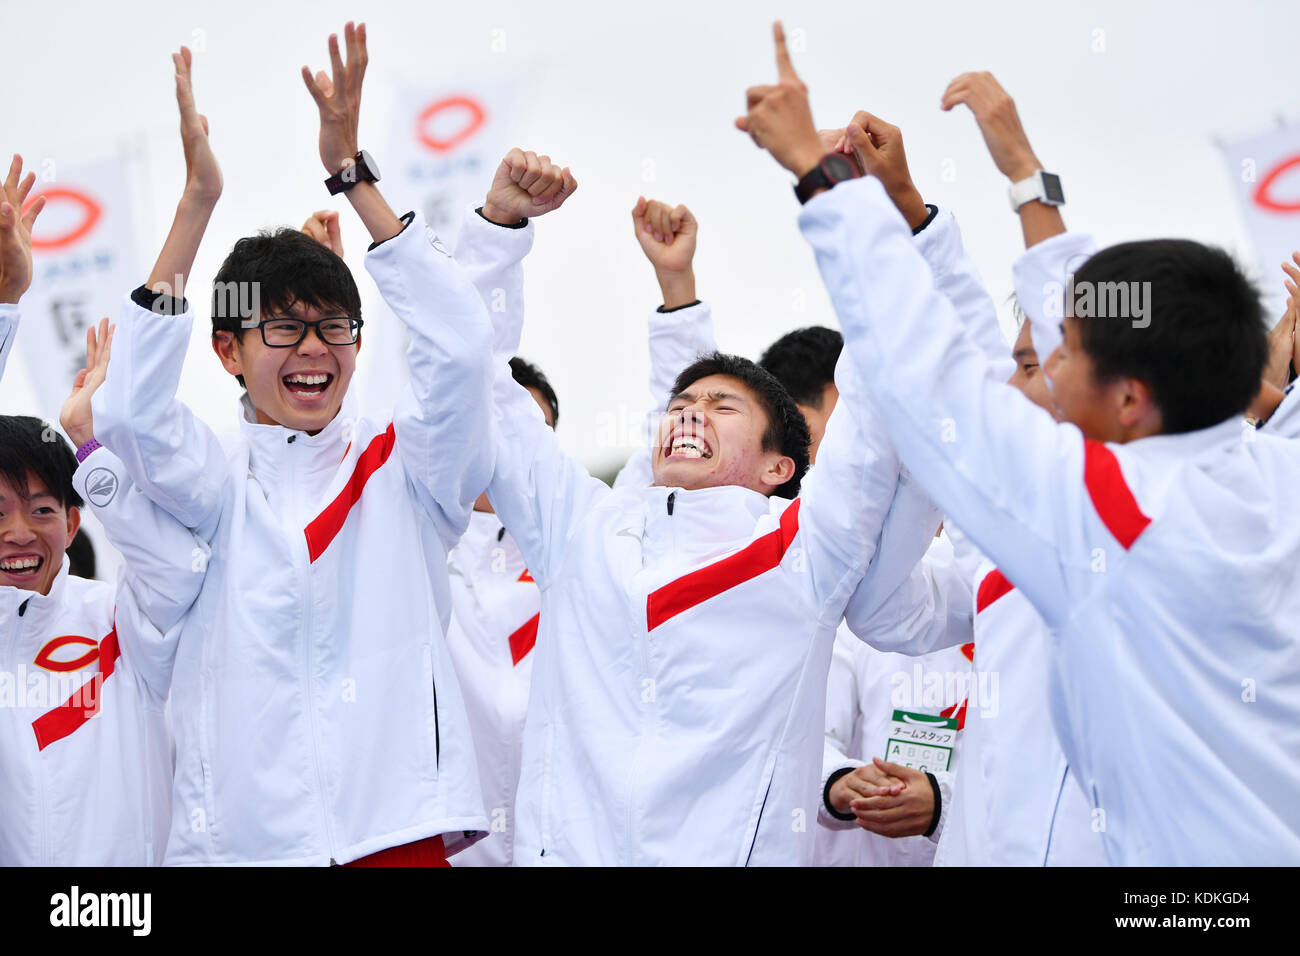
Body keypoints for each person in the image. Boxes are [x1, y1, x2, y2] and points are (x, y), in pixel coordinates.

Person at [742, 23, 1300, 864]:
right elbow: (1059, 331)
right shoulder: (1272, 478)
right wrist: (1001, 181)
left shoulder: (1108, 511)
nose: (1036, 369)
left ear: (1130, 399)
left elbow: (932, 372)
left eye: (1059, 354)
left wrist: (824, 184)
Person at [88, 25, 496, 866]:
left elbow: (460, 345)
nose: (315, 349)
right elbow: (124, 413)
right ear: (228, 351)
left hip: (394, 831)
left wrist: (353, 176)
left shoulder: (405, 466)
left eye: (333, 326)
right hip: (244, 845)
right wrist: (196, 204)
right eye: (283, 327)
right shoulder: (215, 483)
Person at [1, 306, 207, 863]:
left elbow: (179, 570)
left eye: (41, 510)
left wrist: (89, 442)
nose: (18, 532)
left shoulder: (119, 622)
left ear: (72, 524)